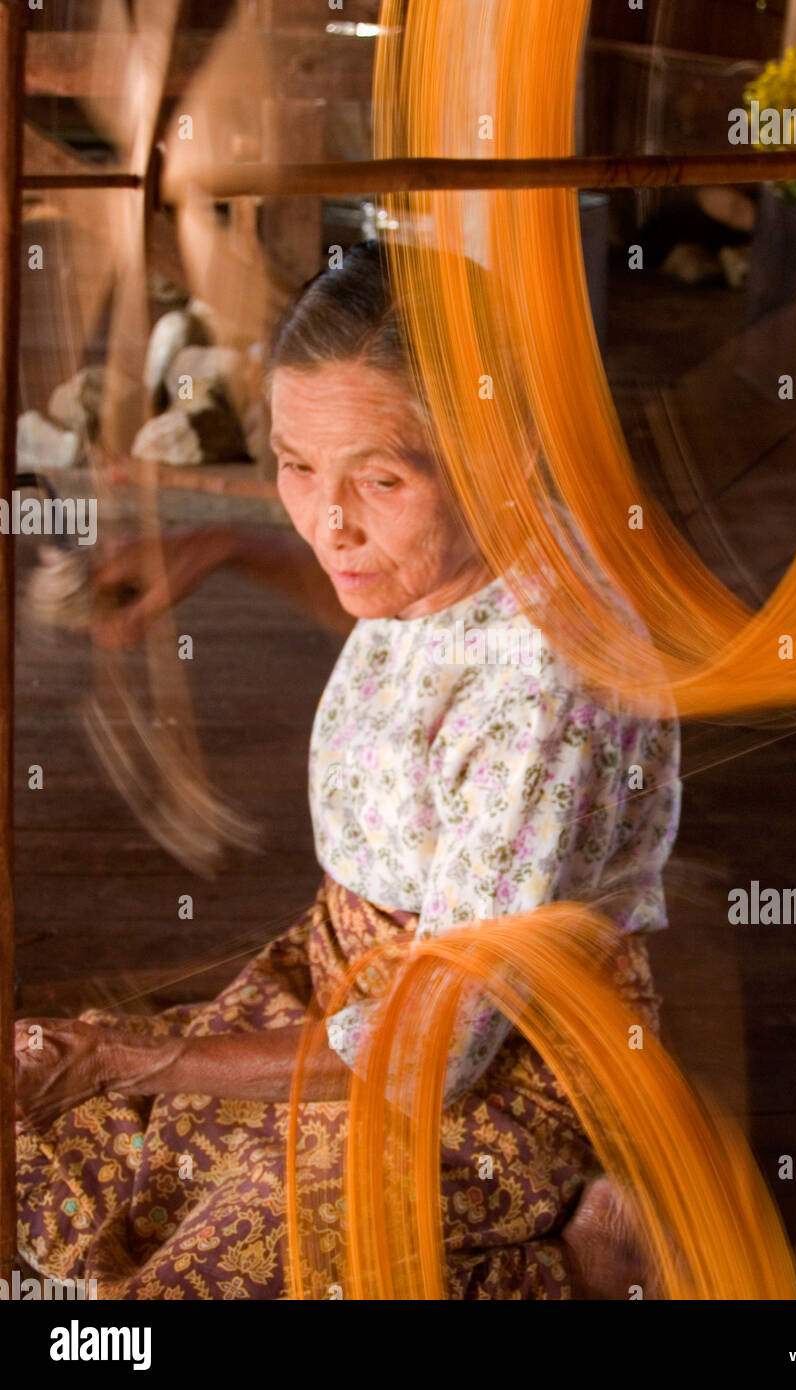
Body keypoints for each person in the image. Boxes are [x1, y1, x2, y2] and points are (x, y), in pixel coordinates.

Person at [16, 243, 681, 1299]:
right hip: (343, 974)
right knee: (51, 1153)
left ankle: (574, 1246)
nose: (328, 522)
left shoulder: (545, 696)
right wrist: (227, 548)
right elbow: (420, 629)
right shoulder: (464, 548)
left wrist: (118, 1054)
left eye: (379, 477)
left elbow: (430, 1055)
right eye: (293, 465)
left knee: (199, 1283)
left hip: (495, 1061)